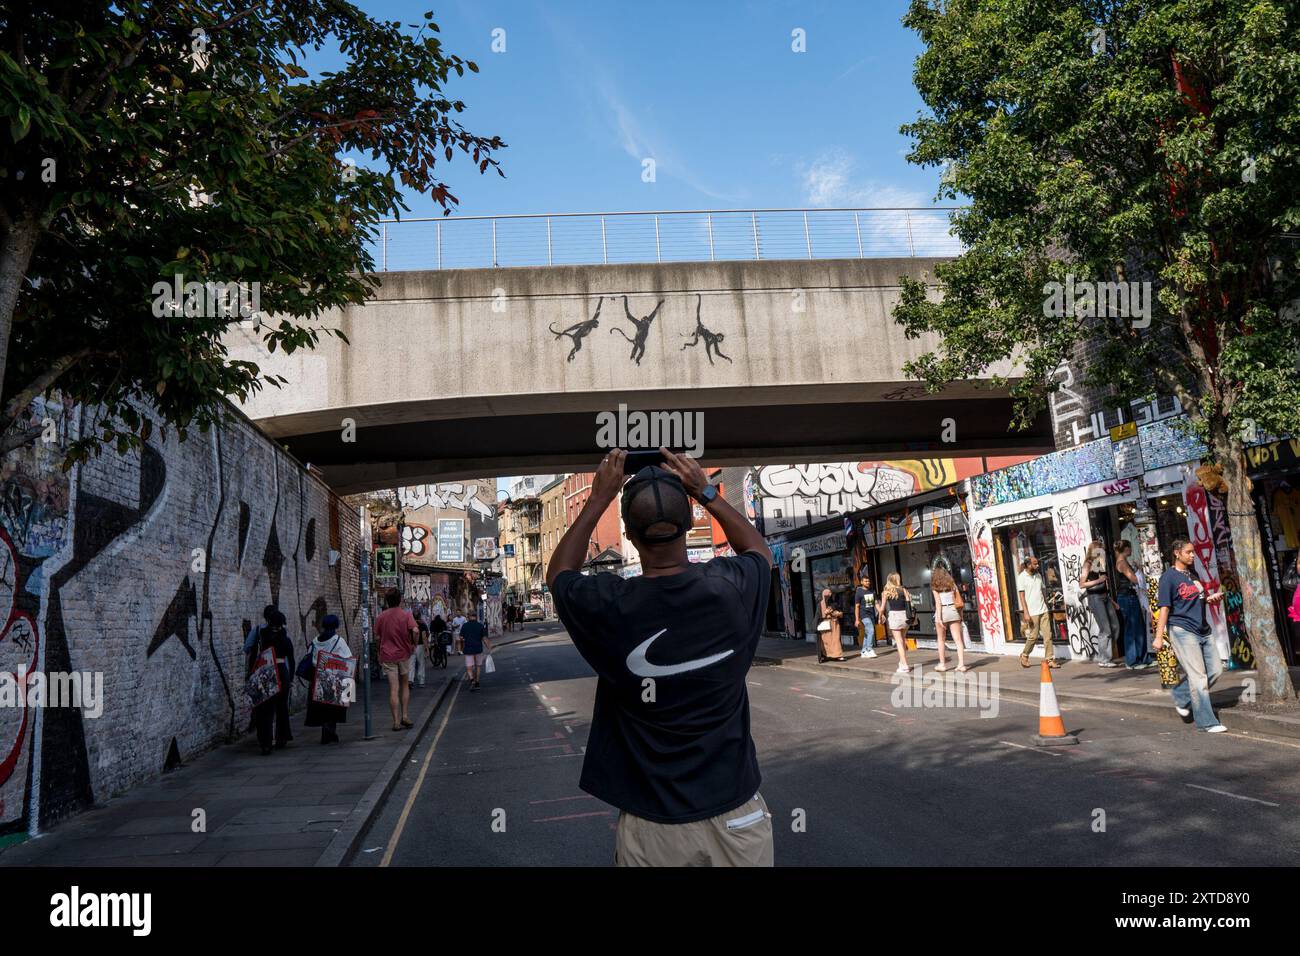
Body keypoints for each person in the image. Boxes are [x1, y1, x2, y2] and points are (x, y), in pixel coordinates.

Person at [548, 448, 775, 867]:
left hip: (652, 826)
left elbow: (560, 574)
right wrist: (707, 491)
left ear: (630, 536)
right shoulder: (732, 589)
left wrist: (598, 501)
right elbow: (759, 551)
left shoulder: (608, 605)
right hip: (737, 816)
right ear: (690, 524)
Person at [1154, 539, 1227, 733]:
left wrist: (1209, 598)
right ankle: (1206, 722)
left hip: (1203, 629)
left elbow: (1196, 599)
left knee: (1216, 670)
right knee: (1198, 678)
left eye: (1193, 552)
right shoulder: (1168, 578)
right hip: (1183, 631)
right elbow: (1164, 608)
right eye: (1188, 552)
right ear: (1177, 553)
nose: (1193, 555)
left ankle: (1180, 694)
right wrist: (1159, 636)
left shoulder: (1191, 574)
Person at [248, 609, 294, 755]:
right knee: (282, 707)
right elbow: (291, 661)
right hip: (281, 671)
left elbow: (253, 655)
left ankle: (265, 743)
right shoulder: (285, 639)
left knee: (265, 710)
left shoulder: (263, 638)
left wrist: (251, 673)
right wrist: (291, 678)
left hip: (266, 671)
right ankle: (282, 737)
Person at [304, 614, 353, 744]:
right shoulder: (338, 641)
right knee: (333, 706)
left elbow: (309, 655)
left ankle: (326, 732)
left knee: (322, 706)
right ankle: (330, 731)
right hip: (333, 675)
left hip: (317, 675)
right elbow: (348, 658)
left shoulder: (315, 640)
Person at [375, 589, 418, 731]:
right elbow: (416, 631)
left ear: (387, 601)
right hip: (404, 654)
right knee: (405, 684)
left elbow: (377, 637)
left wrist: (379, 651)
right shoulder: (406, 615)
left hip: (387, 655)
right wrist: (413, 645)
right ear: (399, 600)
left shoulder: (381, 617)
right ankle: (405, 716)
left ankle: (395, 722)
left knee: (393, 688)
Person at [1080, 541, 1120, 667]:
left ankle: (1106, 655)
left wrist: (1111, 601)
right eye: (1100, 550)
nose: (1102, 553)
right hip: (1095, 598)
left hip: (1105, 597)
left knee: (1115, 626)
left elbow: (1104, 585)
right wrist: (1098, 580)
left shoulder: (1099, 564)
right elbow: (1082, 584)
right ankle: (1104, 659)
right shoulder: (1087, 564)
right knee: (1105, 629)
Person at [1114, 540, 1153, 669]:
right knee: (1133, 628)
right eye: (1130, 548)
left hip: (1128, 596)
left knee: (1137, 626)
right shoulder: (1122, 562)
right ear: (1126, 549)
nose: (1131, 551)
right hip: (1127, 597)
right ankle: (1133, 660)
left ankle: (1141, 658)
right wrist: (1139, 569)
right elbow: (1134, 579)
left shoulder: (1121, 561)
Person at [1016, 556, 1056, 668]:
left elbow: (1043, 590)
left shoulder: (1038, 576)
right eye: (1035, 564)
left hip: (1043, 610)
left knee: (1048, 635)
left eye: (1037, 563)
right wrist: (1026, 612)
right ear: (1029, 565)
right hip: (1032, 612)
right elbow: (1022, 597)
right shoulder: (1022, 577)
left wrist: (1047, 606)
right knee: (1033, 636)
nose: (1037, 565)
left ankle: (1050, 659)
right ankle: (1024, 655)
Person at [930, 567, 968, 672]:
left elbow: (938, 604)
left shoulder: (935, 587)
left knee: (941, 639)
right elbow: (958, 600)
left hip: (942, 611)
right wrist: (961, 616)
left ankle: (942, 664)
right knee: (958, 640)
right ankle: (961, 664)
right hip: (953, 610)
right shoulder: (952, 585)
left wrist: (939, 618)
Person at [881, 573, 912, 674]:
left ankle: (905, 665)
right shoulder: (904, 590)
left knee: (898, 642)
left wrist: (881, 615)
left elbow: (882, 607)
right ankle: (902, 662)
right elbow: (909, 603)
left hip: (895, 616)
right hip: (905, 616)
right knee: (903, 640)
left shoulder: (886, 592)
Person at [459, 608, 491, 690]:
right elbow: (484, 638)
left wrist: (464, 640)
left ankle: (472, 679)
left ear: (468, 616)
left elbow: (461, 638)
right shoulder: (480, 625)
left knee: (469, 667)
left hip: (468, 649)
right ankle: (477, 682)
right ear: (476, 616)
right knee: (478, 666)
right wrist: (489, 648)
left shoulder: (465, 626)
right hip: (478, 649)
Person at [853, 571, 879, 659]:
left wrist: (881, 614)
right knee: (871, 630)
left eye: (868, 581)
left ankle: (863, 651)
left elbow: (876, 603)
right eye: (865, 581)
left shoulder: (872, 591)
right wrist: (857, 619)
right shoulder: (859, 592)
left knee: (868, 633)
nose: (867, 582)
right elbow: (857, 606)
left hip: (872, 614)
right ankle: (869, 649)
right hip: (864, 615)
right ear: (861, 582)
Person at [816, 587, 845, 663]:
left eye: (829, 594)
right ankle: (826, 655)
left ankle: (838, 655)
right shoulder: (820, 605)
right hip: (825, 625)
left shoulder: (834, 603)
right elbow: (818, 615)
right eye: (826, 595)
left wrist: (837, 613)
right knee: (826, 641)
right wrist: (825, 613)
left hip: (834, 624)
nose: (828, 596)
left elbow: (841, 612)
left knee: (836, 640)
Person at [410, 609, 429, 689]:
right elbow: (424, 637)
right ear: (420, 616)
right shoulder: (423, 625)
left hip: (410, 646)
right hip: (420, 646)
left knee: (411, 664)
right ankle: (421, 681)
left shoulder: (410, 624)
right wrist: (426, 648)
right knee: (421, 663)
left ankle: (410, 680)